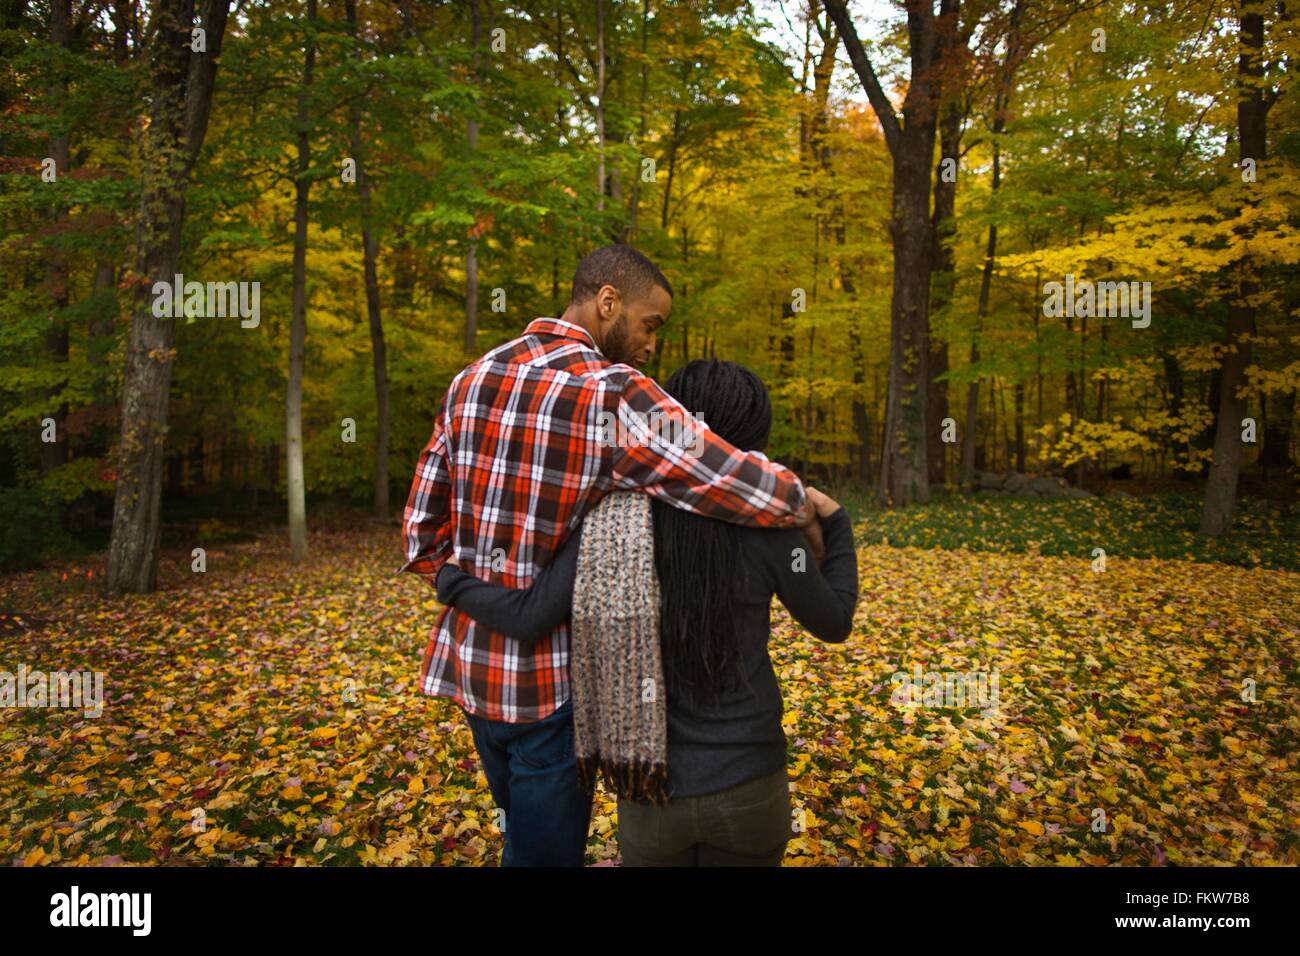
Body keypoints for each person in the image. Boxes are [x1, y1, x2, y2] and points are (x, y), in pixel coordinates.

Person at [400, 246, 822, 866]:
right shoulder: (614, 395)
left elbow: (420, 532)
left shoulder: (472, 378)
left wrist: (467, 590)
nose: (653, 343)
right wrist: (803, 502)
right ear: (607, 301)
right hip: (550, 690)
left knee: (521, 836)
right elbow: (722, 472)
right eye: (651, 323)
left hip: (469, 673)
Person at [436, 359, 860, 866]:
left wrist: (451, 580)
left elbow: (529, 617)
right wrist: (836, 526)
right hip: (751, 783)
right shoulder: (770, 528)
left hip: (652, 792)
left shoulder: (610, 516)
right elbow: (834, 622)